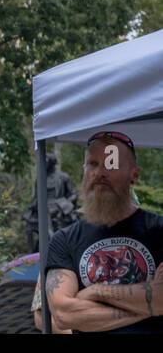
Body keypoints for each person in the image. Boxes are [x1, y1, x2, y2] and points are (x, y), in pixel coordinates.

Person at [43, 130, 163, 333]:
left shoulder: (159, 231)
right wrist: (150, 305)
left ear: (134, 175)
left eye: (112, 163)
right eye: (93, 164)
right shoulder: (64, 240)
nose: (100, 173)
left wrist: (96, 291)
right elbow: (64, 314)